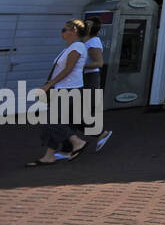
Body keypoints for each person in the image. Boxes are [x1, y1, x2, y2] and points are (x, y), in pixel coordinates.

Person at [27, 21, 90, 167]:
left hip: (69, 89)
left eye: (64, 29)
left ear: (74, 30)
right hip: (61, 89)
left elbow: (68, 70)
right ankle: (49, 156)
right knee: (50, 122)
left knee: (49, 120)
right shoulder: (69, 48)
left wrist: (49, 84)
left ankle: (77, 142)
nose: (61, 32)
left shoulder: (78, 46)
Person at [81, 16, 112, 152]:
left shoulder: (93, 42)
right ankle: (69, 145)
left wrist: (79, 66)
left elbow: (98, 63)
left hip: (90, 79)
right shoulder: (85, 41)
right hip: (84, 79)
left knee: (77, 114)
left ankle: (100, 133)